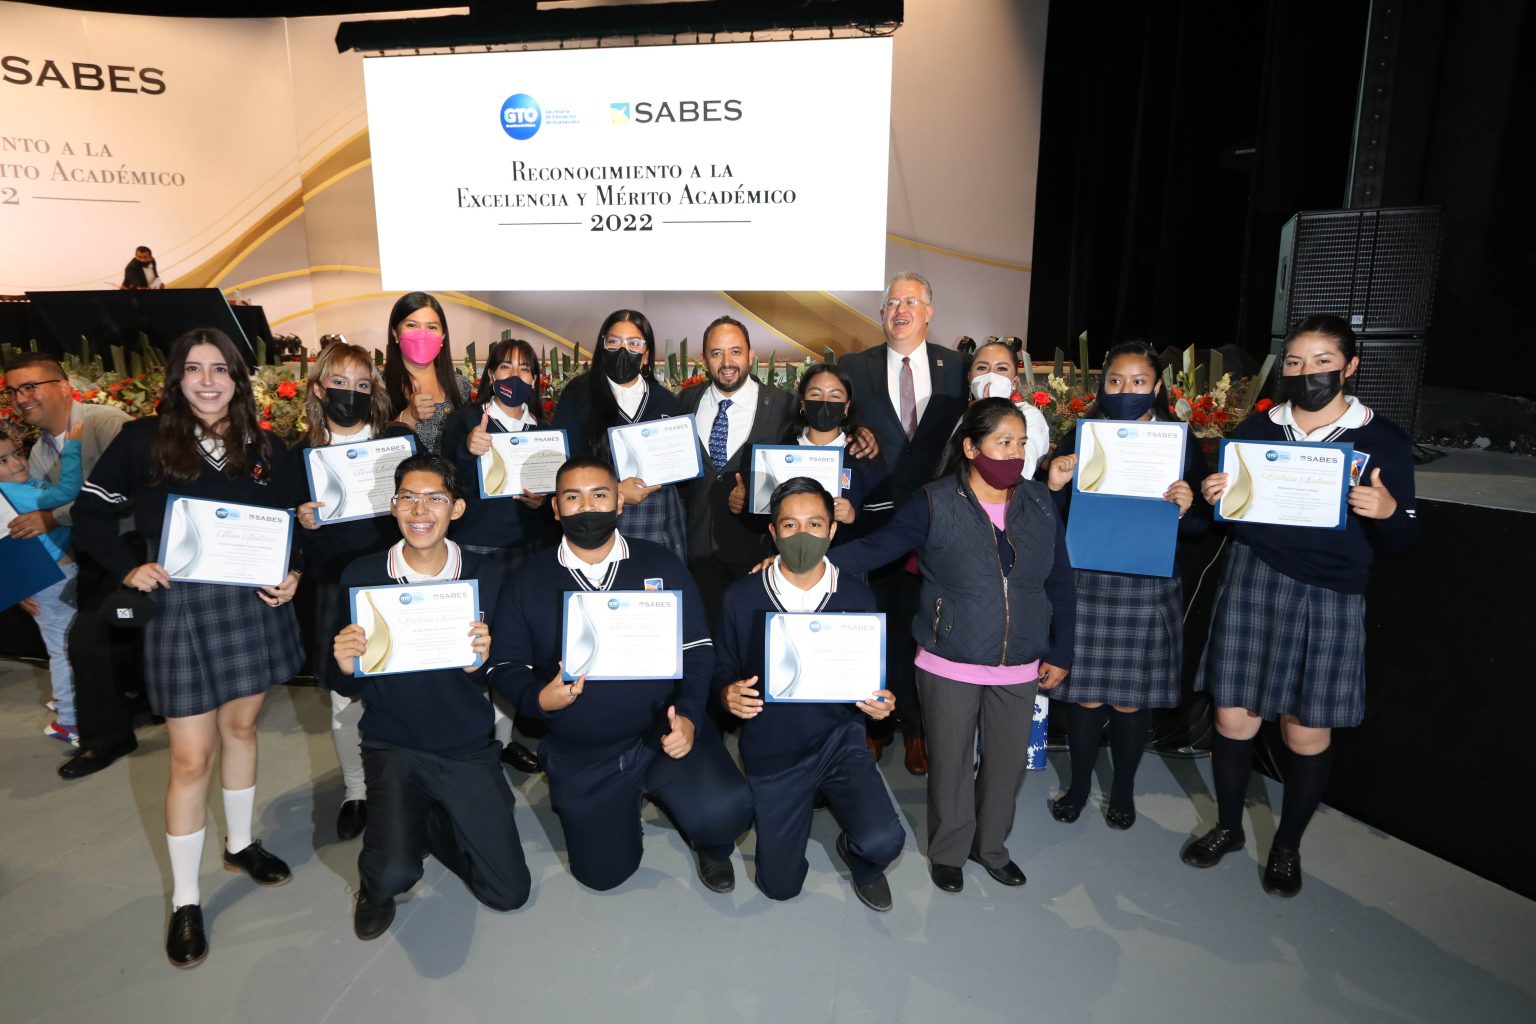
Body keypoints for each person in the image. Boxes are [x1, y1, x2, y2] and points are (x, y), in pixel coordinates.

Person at [72, 328, 304, 968]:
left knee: (243, 728)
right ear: (177, 378)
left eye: (220, 369)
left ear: (238, 378)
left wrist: (293, 572)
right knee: (190, 759)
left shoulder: (265, 446)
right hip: (179, 610)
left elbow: (290, 523)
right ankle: (185, 900)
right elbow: (90, 514)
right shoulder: (143, 440)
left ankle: (241, 844)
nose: (208, 381)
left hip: (251, 606)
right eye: (195, 369)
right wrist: (128, 567)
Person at [1183, 315, 1417, 897]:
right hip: (1253, 581)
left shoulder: (1383, 439)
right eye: (1295, 362)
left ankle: (1286, 847)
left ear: (1350, 367)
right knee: (1232, 721)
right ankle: (1228, 827)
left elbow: (1405, 540)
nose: (1307, 372)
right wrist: (1215, 496)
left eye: (1322, 361)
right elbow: (1224, 517)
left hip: (1330, 595)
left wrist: (1389, 512)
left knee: (1306, 733)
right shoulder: (1260, 426)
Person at [824, 398, 1075, 893]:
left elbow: (1060, 582)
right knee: (951, 765)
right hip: (949, 659)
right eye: (1003, 442)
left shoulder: (1040, 501)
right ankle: (949, 852)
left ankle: (991, 848)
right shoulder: (934, 501)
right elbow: (875, 549)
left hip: (1019, 663)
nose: (1015, 454)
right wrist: (804, 562)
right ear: (971, 447)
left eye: (1021, 443)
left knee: (1006, 767)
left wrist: (1060, 650)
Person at [487, 456, 753, 893]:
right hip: (584, 747)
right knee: (603, 875)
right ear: (555, 507)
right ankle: (617, 807)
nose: (587, 507)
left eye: (599, 495)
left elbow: (696, 648)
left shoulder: (660, 563)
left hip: (663, 729)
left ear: (619, 503)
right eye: (573, 497)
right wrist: (538, 699)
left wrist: (688, 714)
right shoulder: (527, 579)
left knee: (727, 810)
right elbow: (504, 666)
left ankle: (710, 842)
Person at [330, 454, 530, 940]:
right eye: (408, 498)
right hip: (393, 745)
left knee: (508, 891)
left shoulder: (484, 573)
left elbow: (505, 665)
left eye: (435, 498)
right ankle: (378, 879)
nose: (420, 510)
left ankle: (431, 823)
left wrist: (484, 662)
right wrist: (345, 665)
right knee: (394, 873)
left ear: (456, 508)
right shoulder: (362, 574)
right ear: (393, 506)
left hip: (466, 745)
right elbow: (347, 682)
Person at [1043, 340, 1209, 829]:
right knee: (1085, 695)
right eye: (1116, 381)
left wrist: (1187, 507)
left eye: (1138, 381)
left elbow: (1202, 526)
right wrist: (1053, 485)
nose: (1125, 390)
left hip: (1146, 581)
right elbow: (1053, 520)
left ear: (1156, 388)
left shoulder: (1181, 442)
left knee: (1129, 699)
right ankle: (1077, 786)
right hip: (1086, 577)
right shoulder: (1080, 435)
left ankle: (1122, 790)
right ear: (1103, 385)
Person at [716, 478, 904, 910]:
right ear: (773, 531)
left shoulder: (858, 597)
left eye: (815, 524)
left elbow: (874, 678)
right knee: (779, 886)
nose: (803, 534)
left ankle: (858, 855)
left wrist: (882, 704)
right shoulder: (741, 596)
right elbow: (722, 665)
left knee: (885, 840)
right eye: (790, 525)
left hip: (840, 742)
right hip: (774, 750)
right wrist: (726, 694)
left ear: (832, 530)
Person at [836, 272, 969, 775]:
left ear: (929, 311)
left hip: (938, 518)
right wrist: (854, 430)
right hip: (872, 519)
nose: (901, 310)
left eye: (911, 301)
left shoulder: (957, 368)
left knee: (925, 625)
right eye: (892, 302)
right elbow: (837, 418)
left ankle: (917, 728)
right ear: (881, 313)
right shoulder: (854, 366)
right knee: (874, 625)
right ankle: (875, 727)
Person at [293, 342, 417, 841]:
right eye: (340, 383)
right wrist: (302, 523)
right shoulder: (299, 456)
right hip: (335, 587)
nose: (351, 393)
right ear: (318, 389)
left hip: (397, 580)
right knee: (346, 699)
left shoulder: (398, 442)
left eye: (362, 385)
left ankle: (408, 782)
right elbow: (285, 536)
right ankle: (356, 790)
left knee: (408, 686)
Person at [3, 352, 139, 779]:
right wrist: (21, 582)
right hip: (91, 559)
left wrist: (53, 517)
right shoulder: (38, 455)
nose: (21, 397)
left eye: (30, 386)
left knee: (84, 640)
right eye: (13, 391)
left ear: (64, 387)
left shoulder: (106, 423)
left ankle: (103, 738)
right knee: (85, 637)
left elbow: (133, 490)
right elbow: (22, 527)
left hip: (138, 547)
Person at [440, 337, 557, 774]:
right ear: (491, 375)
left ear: (535, 380)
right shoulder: (465, 422)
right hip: (476, 550)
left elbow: (555, 499)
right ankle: (469, 739)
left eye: (525, 369)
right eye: (506, 367)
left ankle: (504, 740)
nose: (515, 376)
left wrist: (542, 502)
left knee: (512, 645)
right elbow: (446, 485)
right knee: (472, 644)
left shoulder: (543, 430)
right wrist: (466, 452)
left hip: (528, 550)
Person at [676, 316, 796, 618]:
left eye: (735, 351)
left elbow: (800, 473)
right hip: (697, 553)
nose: (727, 362)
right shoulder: (685, 401)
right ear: (704, 359)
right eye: (716, 353)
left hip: (757, 553)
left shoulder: (784, 406)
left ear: (751, 355)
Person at [552, 310, 688, 561]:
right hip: (600, 514)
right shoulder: (579, 394)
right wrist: (616, 490)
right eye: (614, 341)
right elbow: (566, 462)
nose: (623, 350)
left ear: (646, 355)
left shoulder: (664, 400)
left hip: (661, 517)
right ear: (602, 346)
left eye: (634, 343)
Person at [734, 361, 892, 549]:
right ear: (802, 402)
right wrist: (743, 505)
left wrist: (854, 516)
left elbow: (886, 519)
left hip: (847, 561)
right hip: (789, 560)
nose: (825, 402)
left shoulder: (862, 452)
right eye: (816, 394)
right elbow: (763, 522)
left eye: (835, 395)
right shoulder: (779, 453)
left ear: (846, 406)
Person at [0, 418, 84, 743]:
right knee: (64, 649)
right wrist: (73, 445)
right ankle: (69, 719)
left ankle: (65, 705)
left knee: (62, 646)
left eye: (17, 454)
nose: (17, 463)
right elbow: (69, 492)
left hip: (49, 579)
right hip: (54, 580)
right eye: (3, 461)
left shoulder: (18, 489)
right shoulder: (15, 492)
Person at [382, 291, 470, 456]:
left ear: (443, 336)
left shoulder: (461, 386)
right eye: (412, 325)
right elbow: (369, 449)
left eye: (432, 327)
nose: (422, 334)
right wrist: (408, 417)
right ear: (395, 333)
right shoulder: (377, 383)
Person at [966, 340, 1050, 476]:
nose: (991, 375)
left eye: (1001, 369)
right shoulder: (963, 415)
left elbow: (1022, 472)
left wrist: (988, 414)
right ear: (970, 378)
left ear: (1015, 382)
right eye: (982, 368)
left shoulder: (1029, 416)